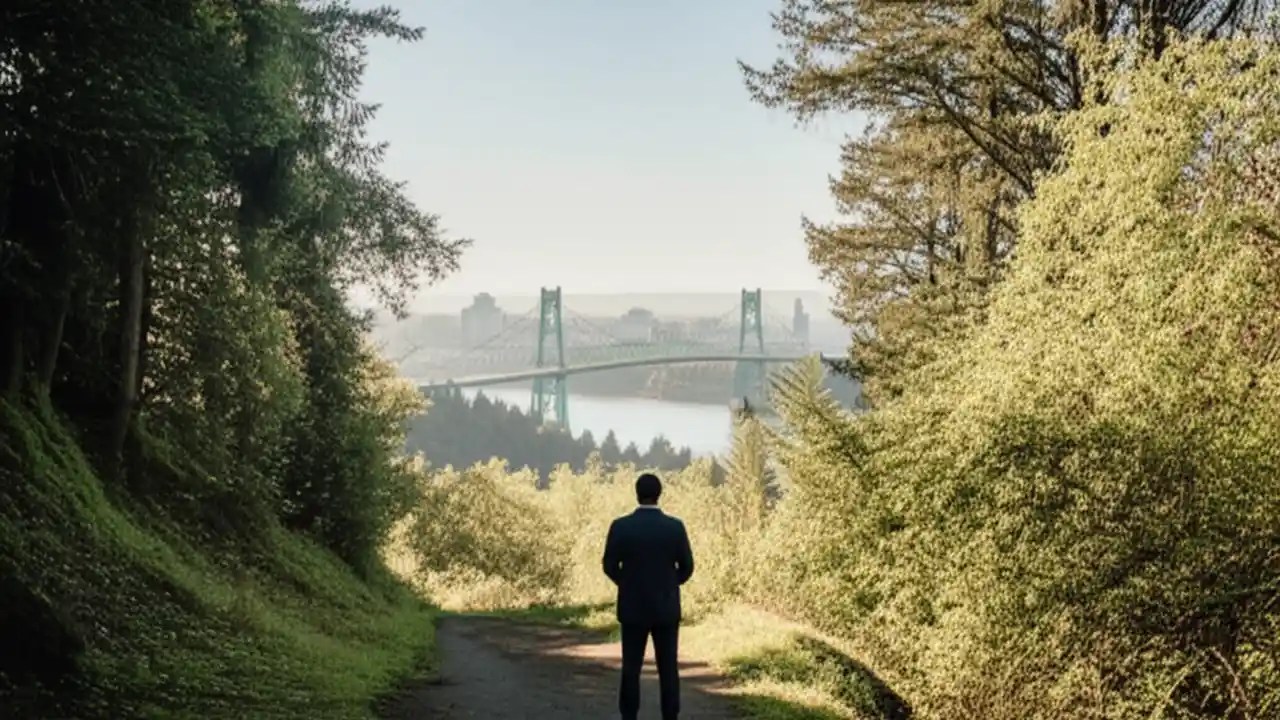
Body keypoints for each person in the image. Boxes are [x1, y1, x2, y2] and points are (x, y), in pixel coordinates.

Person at [601, 472, 695, 720]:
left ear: (636, 493)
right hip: (665, 607)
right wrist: (669, 584)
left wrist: (627, 583)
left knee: (631, 668)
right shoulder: (675, 527)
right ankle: (670, 716)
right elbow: (687, 566)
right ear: (659, 494)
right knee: (668, 668)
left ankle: (629, 716)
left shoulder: (621, 526)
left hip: (632, 607)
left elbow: (609, 565)